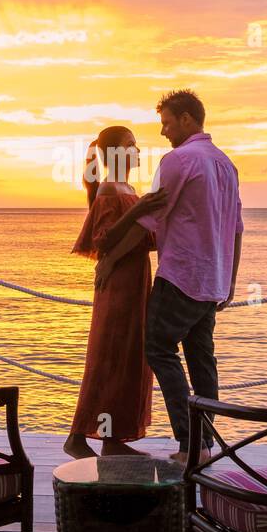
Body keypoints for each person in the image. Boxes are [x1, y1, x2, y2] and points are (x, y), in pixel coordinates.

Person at [134, 90, 243, 463]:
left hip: (181, 274)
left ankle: (191, 442)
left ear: (186, 119)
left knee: (159, 349)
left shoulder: (178, 160)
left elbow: (150, 218)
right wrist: (229, 280)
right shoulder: (226, 164)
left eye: (166, 122)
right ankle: (205, 444)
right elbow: (236, 229)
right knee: (201, 359)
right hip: (212, 280)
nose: (163, 131)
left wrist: (112, 251)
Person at [63, 126, 165, 459]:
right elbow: (103, 240)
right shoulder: (109, 190)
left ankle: (112, 439)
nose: (137, 152)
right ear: (114, 155)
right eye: (130, 146)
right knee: (110, 356)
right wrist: (139, 210)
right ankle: (77, 437)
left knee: (128, 359)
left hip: (136, 280)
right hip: (119, 283)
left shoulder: (127, 188)